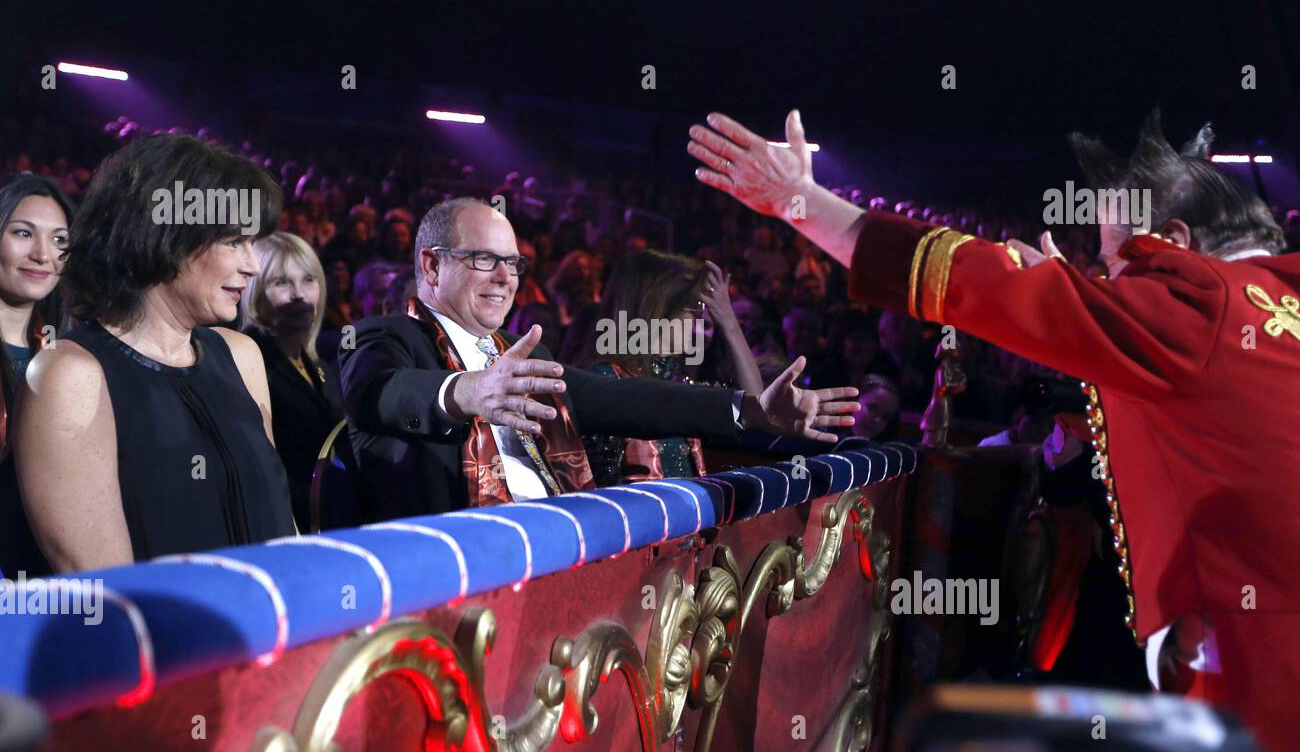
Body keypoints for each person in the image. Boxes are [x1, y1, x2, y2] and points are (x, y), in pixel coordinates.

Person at [689, 107, 1299, 752]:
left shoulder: (1198, 301)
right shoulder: (1271, 300)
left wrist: (805, 205)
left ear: (1173, 243)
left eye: (1106, 262)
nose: (1102, 283)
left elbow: (985, 285)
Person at [338, 197, 858, 520]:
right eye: (484, 260)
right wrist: (469, 391)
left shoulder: (526, 353)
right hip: (454, 573)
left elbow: (625, 396)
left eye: (514, 264)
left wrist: (747, 411)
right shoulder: (384, 338)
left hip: (560, 551)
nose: (505, 278)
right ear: (431, 265)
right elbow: (382, 394)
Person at [14, 134, 296, 571]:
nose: (253, 265)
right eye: (232, 242)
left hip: (281, 628)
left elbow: (283, 530)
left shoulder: (242, 355)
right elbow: (110, 590)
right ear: (166, 238)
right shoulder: (70, 375)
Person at [579, 251, 763, 485]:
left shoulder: (680, 383)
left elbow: (756, 405)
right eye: (695, 307)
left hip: (686, 518)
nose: (700, 320)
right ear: (659, 307)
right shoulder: (606, 379)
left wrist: (728, 320)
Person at [241, 232, 345, 531]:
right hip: (284, 527)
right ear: (254, 290)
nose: (299, 294)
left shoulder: (318, 363)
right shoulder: (249, 361)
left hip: (327, 519)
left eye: (308, 279)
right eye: (282, 282)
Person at [0, 175, 73, 577]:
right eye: (24, 233)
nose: (44, 254)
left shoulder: (70, 355)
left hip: (47, 576)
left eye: (60, 240)